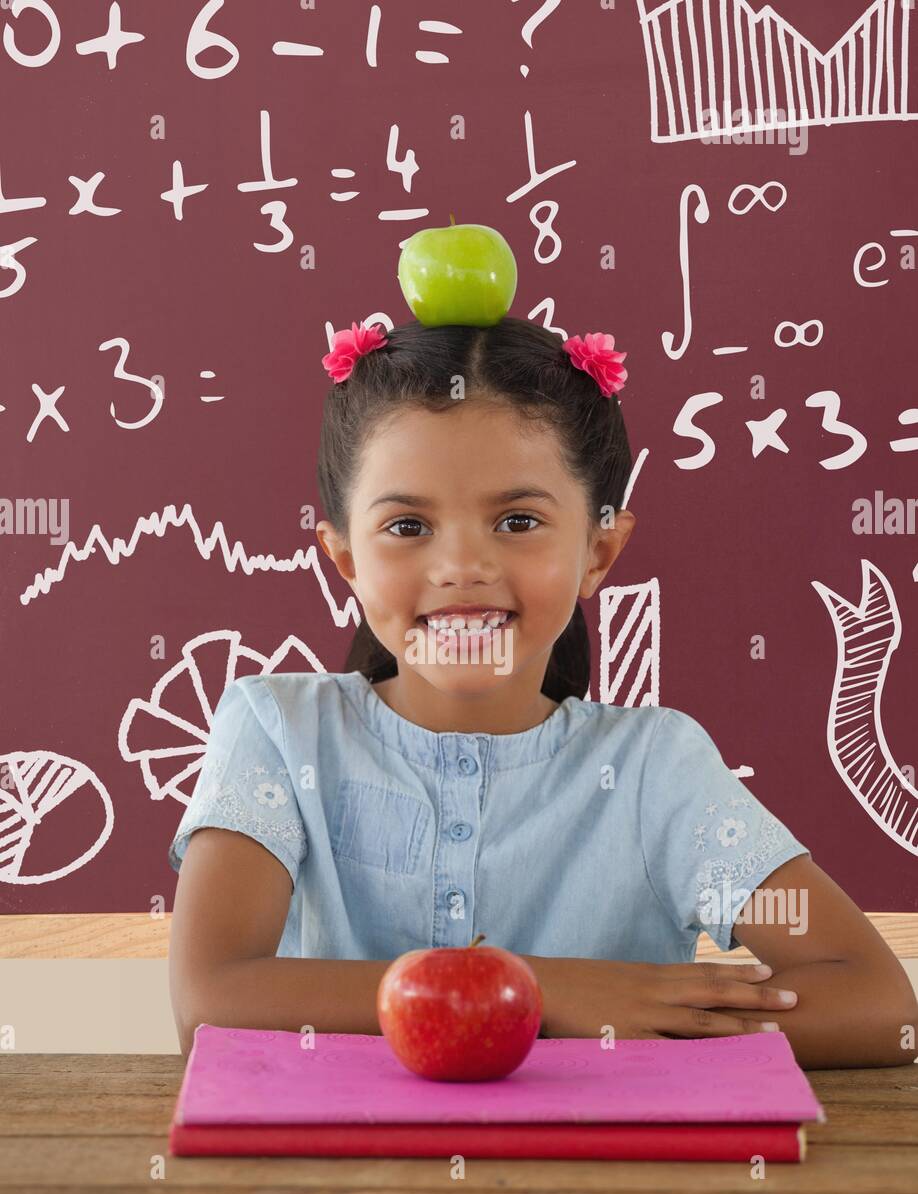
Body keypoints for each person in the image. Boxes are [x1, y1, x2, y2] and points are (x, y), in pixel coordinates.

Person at [167, 316, 917, 1069]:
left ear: (598, 551)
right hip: (334, 1182)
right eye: (407, 525)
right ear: (346, 561)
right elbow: (211, 999)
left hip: (607, 1184)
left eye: (517, 520)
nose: (462, 564)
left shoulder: (658, 771)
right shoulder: (276, 730)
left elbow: (879, 1005)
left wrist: (665, 1018)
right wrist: (541, 993)